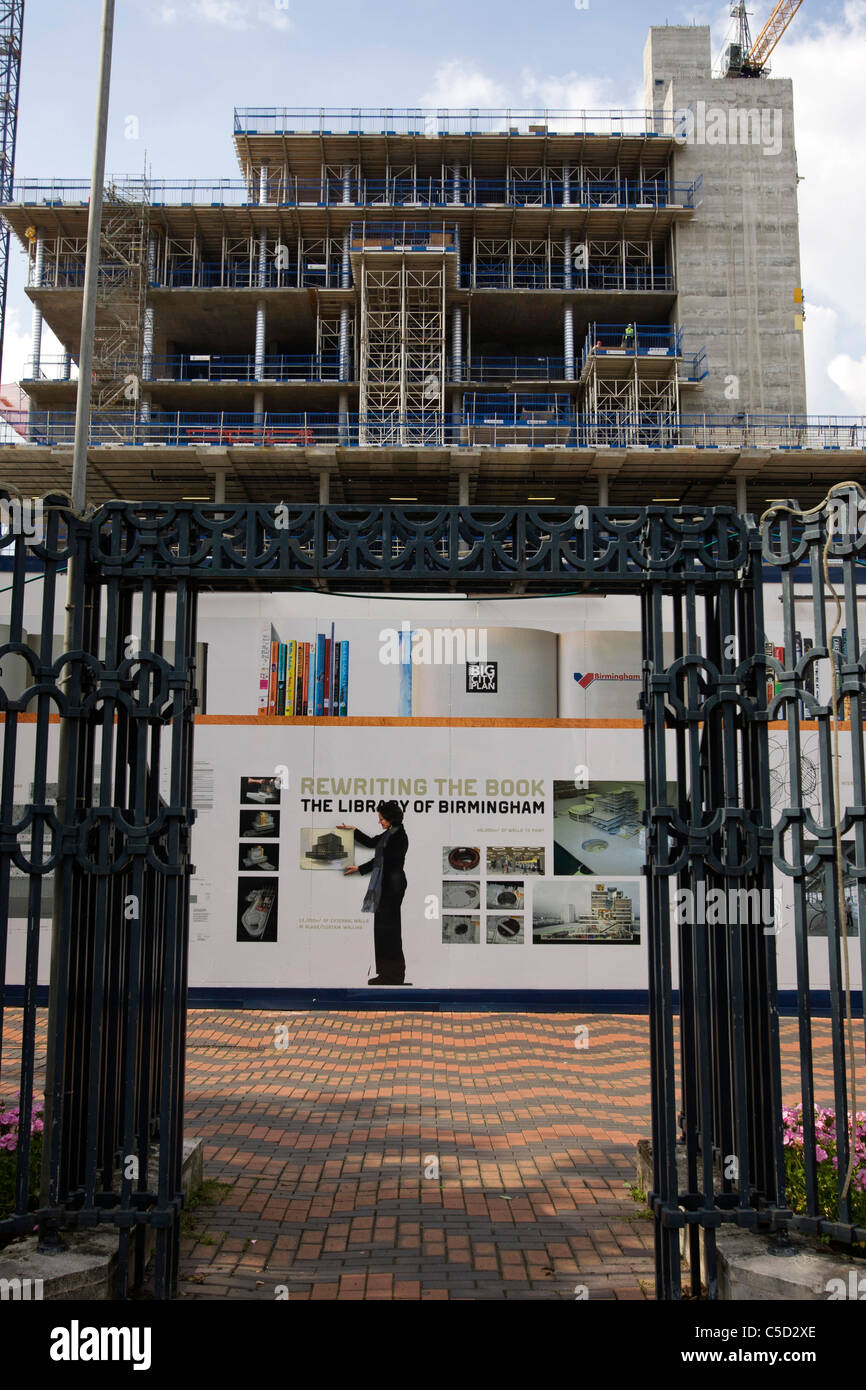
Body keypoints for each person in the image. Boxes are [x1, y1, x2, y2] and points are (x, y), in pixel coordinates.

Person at [338, 800, 408, 985]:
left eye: (382, 819)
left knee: (389, 930)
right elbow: (371, 843)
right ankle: (387, 974)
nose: (380, 822)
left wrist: (359, 868)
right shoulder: (391, 833)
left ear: (391, 819)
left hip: (392, 886)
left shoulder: (398, 836)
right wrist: (353, 830)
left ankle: (393, 976)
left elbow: (383, 860)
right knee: (384, 930)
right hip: (388, 885)